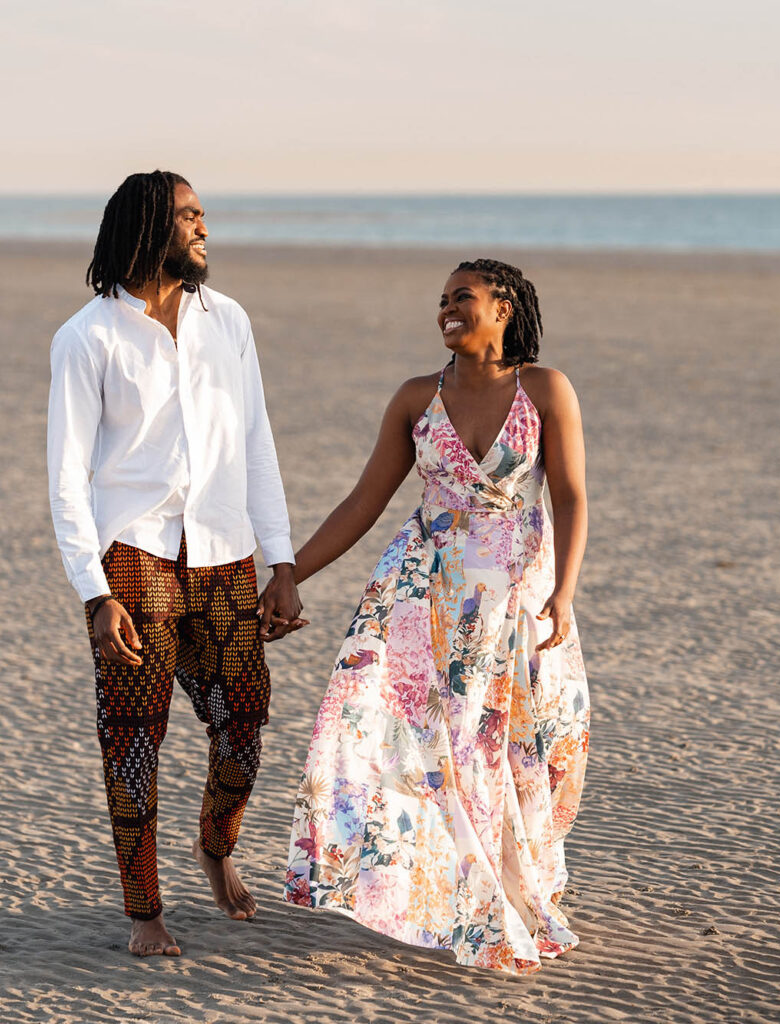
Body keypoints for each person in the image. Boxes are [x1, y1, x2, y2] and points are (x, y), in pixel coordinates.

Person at [283, 258, 591, 975]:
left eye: (463, 297)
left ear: (504, 307)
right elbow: (364, 502)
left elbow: (572, 496)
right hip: (425, 596)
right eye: (442, 300)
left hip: (517, 595)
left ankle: (517, 883)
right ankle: (471, 899)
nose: (447, 309)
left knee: (536, 741)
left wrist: (565, 591)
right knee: (441, 745)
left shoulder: (546, 389)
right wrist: (291, 573)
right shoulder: (416, 398)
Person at [47, 170, 305, 957]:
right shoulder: (87, 336)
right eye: (189, 216)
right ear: (150, 226)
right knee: (132, 738)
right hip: (134, 558)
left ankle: (215, 847)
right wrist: (94, 593)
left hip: (225, 554)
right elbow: (66, 477)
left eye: (201, 215)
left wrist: (282, 562)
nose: (204, 228)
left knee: (245, 722)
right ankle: (144, 913)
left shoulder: (228, 320)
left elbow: (256, 442)